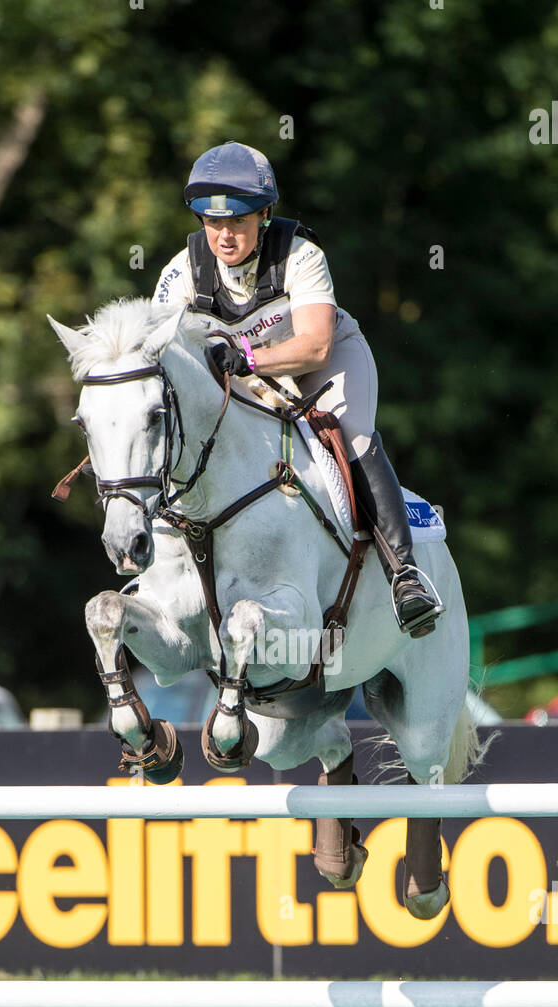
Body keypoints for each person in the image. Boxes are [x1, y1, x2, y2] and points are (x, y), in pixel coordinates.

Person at [153, 141, 444, 637]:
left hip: (318, 360)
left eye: (238, 221)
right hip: (243, 379)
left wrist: (246, 357)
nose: (225, 235)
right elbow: (158, 357)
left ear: (264, 214)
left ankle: (405, 577)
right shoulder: (180, 273)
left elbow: (314, 347)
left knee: (350, 435)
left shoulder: (301, 255)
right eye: (212, 222)